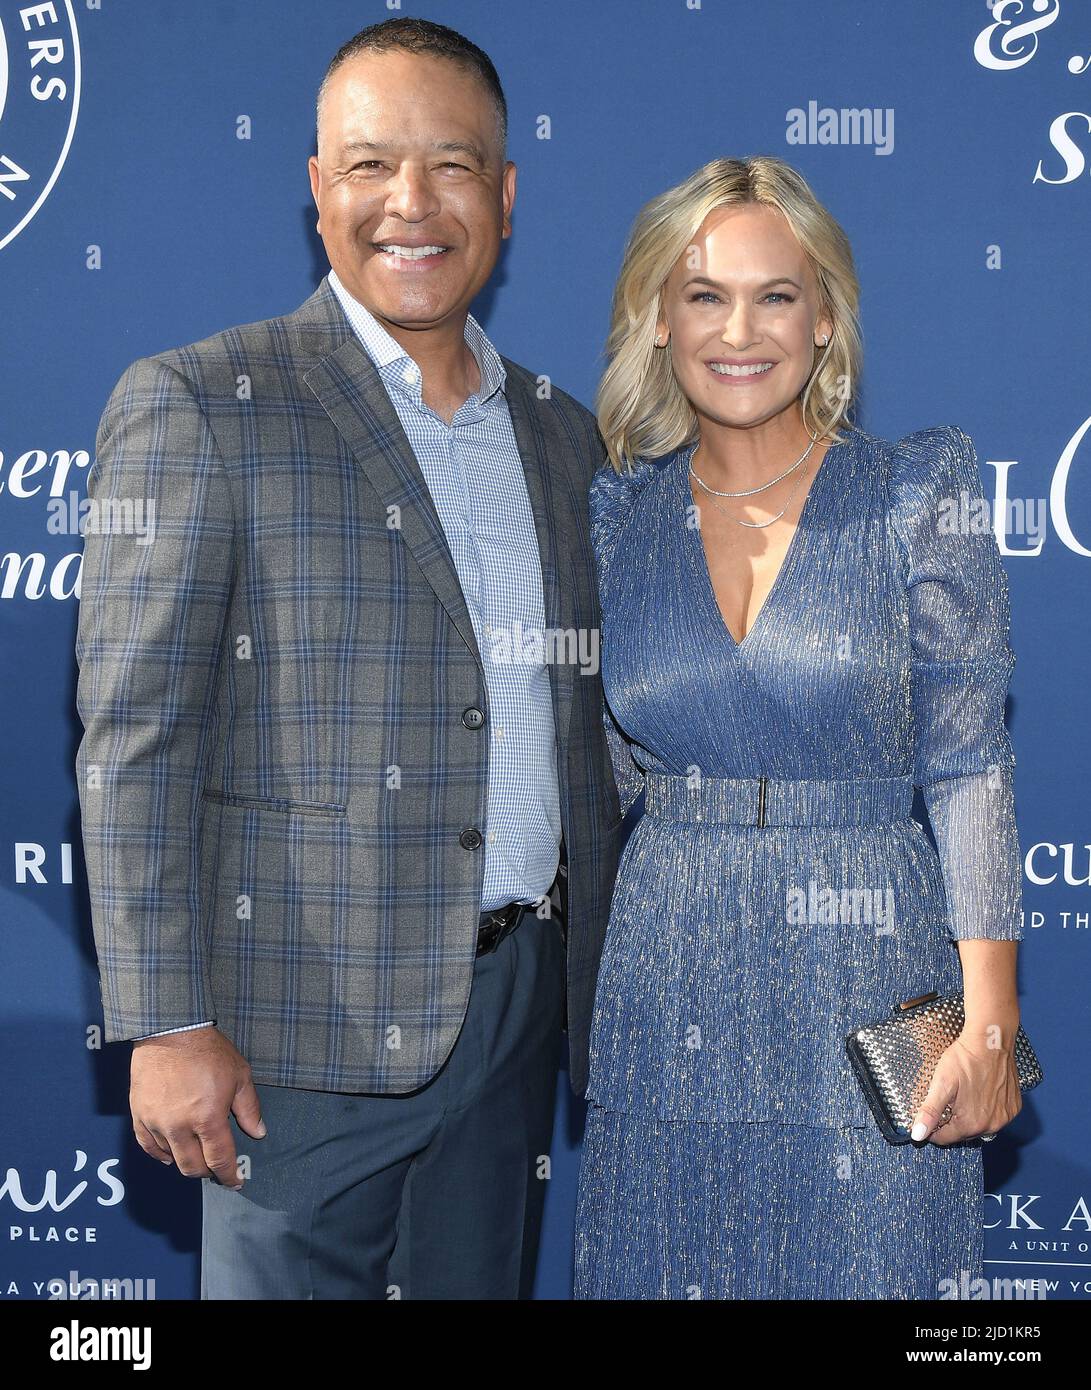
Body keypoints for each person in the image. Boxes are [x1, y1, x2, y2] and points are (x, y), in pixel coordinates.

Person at [74, 16, 623, 1300]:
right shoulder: (200, 402)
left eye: (450, 165)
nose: (409, 203)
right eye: (368, 165)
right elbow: (133, 741)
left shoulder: (563, 436)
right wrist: (162, 1018)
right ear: (317, 189)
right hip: (292, 1039)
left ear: (503, 193)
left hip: (515, 1016)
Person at [573, 155, 1026, 1300]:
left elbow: (970, 767)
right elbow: (605, 773)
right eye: (704, 295)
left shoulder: (916, 491)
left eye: (774, 294)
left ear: (824, 317)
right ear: (659, 321)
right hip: (668, 963)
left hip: (868, 962)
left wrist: (985, 1028)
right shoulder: (617, 517)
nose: (741, 328)